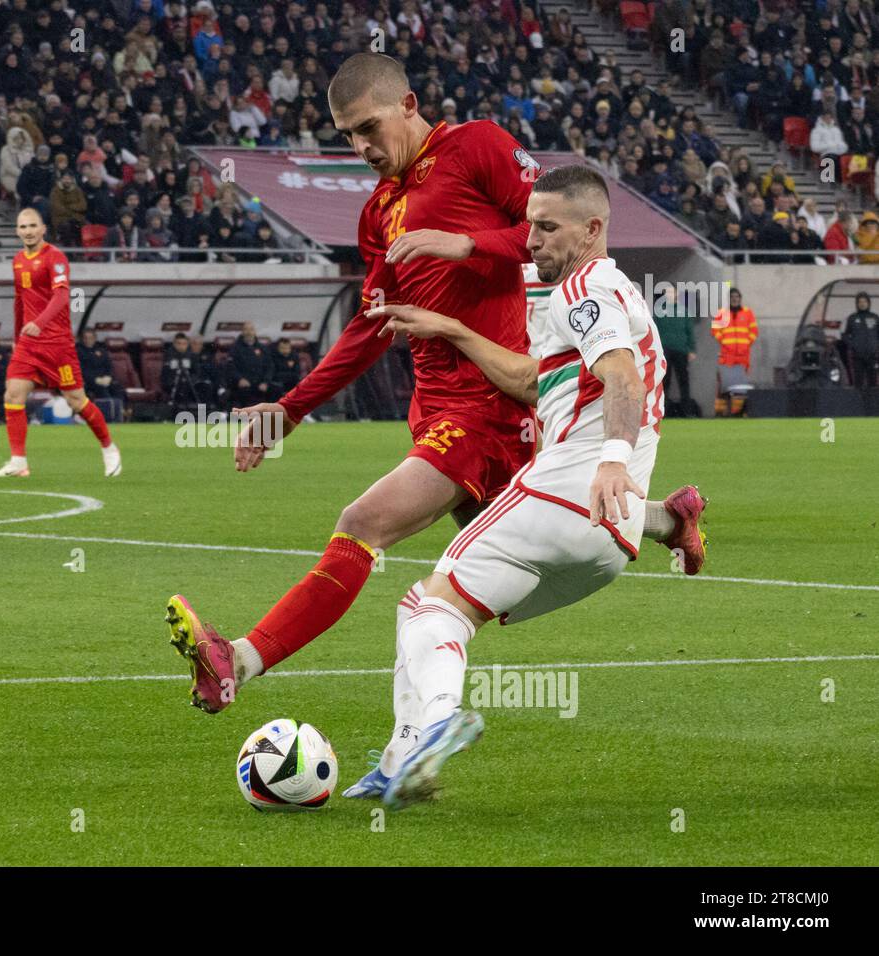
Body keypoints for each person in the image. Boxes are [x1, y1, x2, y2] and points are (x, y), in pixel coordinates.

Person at [163, 54, 706, 718]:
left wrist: (462, 244)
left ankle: (238, 662)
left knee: (364, 524)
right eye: (348, 136)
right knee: (498, 552)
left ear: (409, 104)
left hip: (489, 404)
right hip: (436, 408)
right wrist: (291, 408)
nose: (362, 147)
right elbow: (372, 326)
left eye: (369, 127)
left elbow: (539, 238)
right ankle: (669, 520)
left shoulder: (476, 146)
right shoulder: (378, 214)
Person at [352, 163, 685, 809]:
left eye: (547, 227)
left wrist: (612, 457)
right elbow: (535, 383)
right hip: (604, 542)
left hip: (567, 490)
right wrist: (452, 330)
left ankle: (439, 721)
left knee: (428, 609)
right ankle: (402, 763)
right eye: (529, 225)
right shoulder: (605, 293)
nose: (530, 239)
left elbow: (622, 376)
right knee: (441, 613)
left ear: (592, 229)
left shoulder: (584, 288)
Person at [0, 207, 121, 478]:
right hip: (28, 344)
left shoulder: (55, 257)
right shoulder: (17, 261)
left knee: (76, 401)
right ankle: (18, 461)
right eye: (23, 227)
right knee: (13, 394)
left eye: (32, 226)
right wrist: (17, 338)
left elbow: (61, 296)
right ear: (16, 231)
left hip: (57, 344)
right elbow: (19, 301)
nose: (28, 231)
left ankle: (108, 448)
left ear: (43, 228)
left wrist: (40, 322)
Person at [653, 284, 699, 417]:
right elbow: (654, 330)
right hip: (664, 350)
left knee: (684, 381)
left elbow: (689, 331)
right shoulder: (658, 311)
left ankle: (687, 412)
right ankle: (663, 412)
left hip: (681, 350)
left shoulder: (684, 311)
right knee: (664, 382)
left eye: (672, 292)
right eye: (667, 292)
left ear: (676, 293)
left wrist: (692, 349)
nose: (669, 294)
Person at [711, 288, 758, 416]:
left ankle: (740, 412)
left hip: (743, 357)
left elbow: (754, 332)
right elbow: (715, 330)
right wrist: (724, 342)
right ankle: (721, 412)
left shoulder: (748, 313)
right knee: (724, 386)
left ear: (740, 298)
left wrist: (747, 344)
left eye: (737, 296)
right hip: (727, 357)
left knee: (741, 387)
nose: (735, 299)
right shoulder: (722, 313)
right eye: (732, 296)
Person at [77, 328, 125, 417]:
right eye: (85, 338)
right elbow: (81, 370)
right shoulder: (78, 351)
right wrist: (95, 380)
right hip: (89, 381)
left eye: (90, 338)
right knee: (102, 390)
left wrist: (108, 377)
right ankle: (108, 415)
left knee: (118, 388)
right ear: (82, 339)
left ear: (95, 338)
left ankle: (120, 412)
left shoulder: (101, 350)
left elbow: (109, 366)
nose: (88, 340)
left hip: (105, 379)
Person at [228, 320, 272, 406]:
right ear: (242, 332)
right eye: (246, 329)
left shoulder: (263, 348)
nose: (249, 332)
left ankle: (278, 415)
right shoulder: (235, 348)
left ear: (255, 332)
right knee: (243, 392)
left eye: (251, 329)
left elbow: (270, 367)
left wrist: (266, 382)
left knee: (276, 389)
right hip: (243, 382)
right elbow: (231, 367)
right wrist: (240, 379)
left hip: (261, 382)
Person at [840, 292, 878, 389]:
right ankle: (858, 403)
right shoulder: (852, 318)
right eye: (860, 302)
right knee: (858, 384)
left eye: (864, 301)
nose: (862, 303)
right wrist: (853, 345)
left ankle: (872, 404)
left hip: (873, 356)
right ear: (857, 304)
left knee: (873, 384)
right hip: (857, 357)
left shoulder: (875, 317)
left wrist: (876, 346)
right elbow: (844, 335)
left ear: (868, 303)